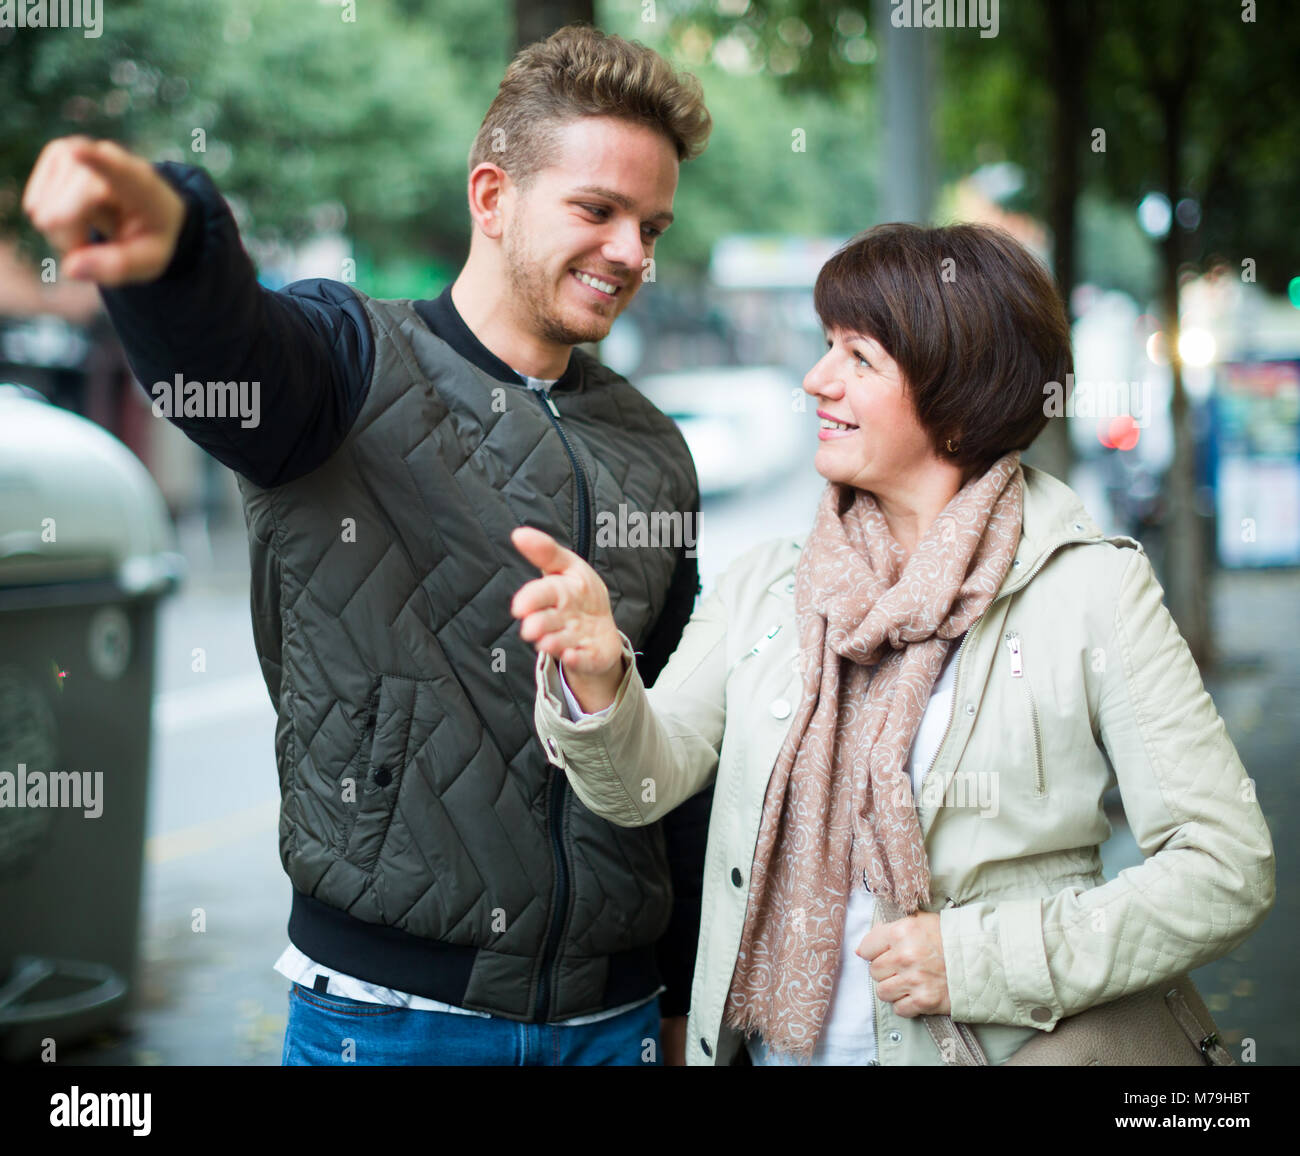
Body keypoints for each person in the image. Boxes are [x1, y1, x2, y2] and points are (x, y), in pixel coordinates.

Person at [22, 24, 714, 1066]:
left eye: (651, 224)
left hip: (609, 1022)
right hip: (388, 1020)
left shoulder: (655, 449)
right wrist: (170, 237)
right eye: (598, 210)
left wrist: (678, 997)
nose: (633, 252)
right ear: (491, 196)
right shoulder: (347, 362)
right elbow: (227, 348)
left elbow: (677, 751)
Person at [510, 222, 1277, 1066]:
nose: (815, 380)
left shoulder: (1090, 591)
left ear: (960, 396)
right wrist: (600, 676)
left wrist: (980, 960)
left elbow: (1224, 867)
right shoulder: (769, 582)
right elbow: (641, 785)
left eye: (858, 358)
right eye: (825, 346)